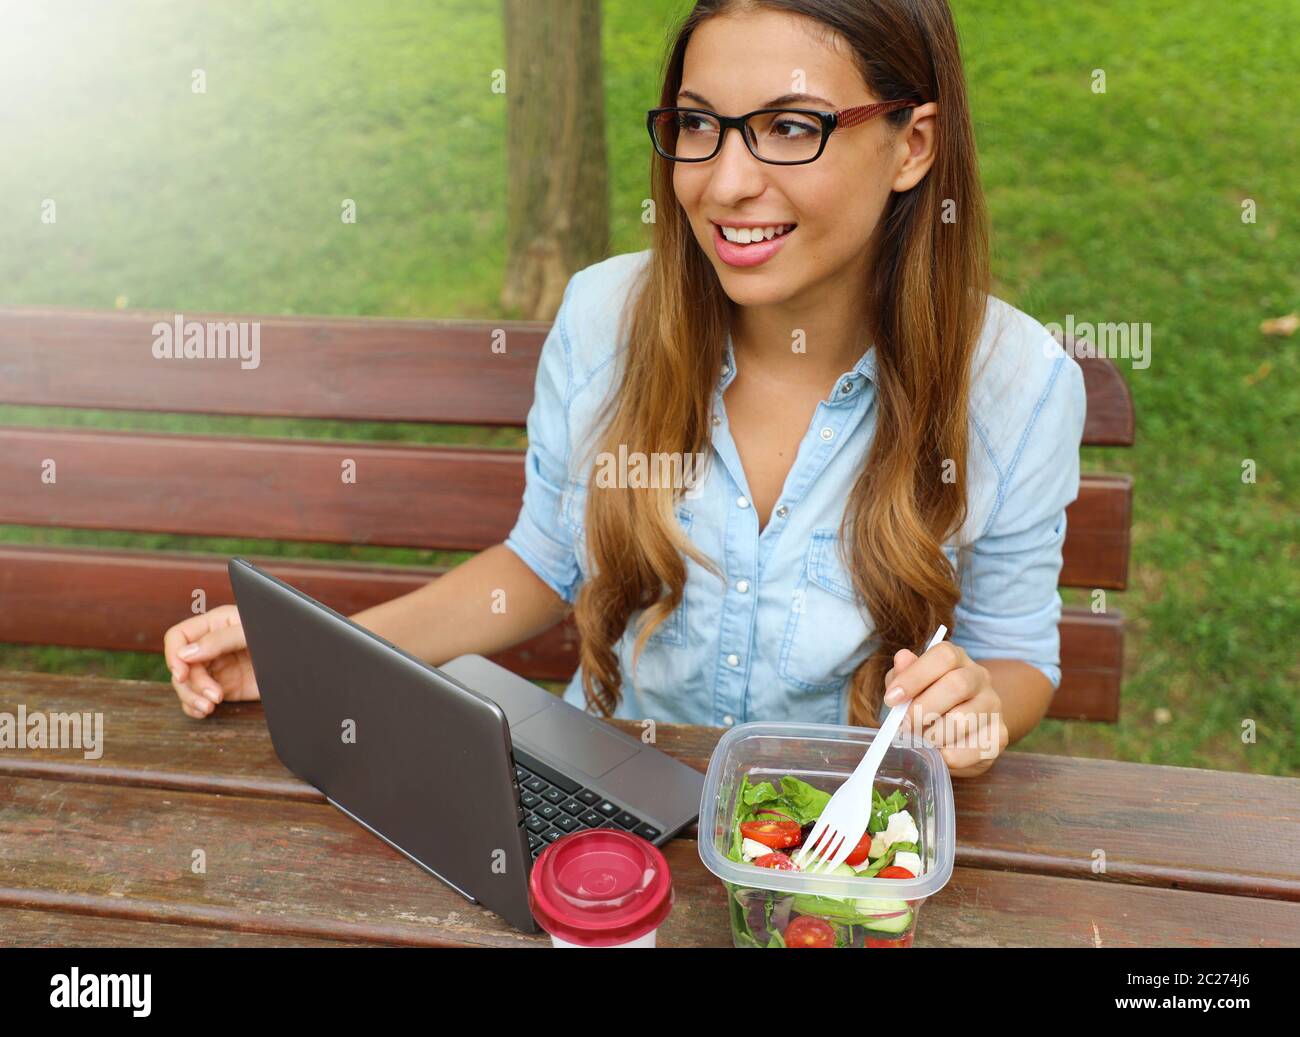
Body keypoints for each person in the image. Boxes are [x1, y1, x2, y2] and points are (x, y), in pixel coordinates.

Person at [164, 0, 1084, 778]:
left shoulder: (1017, 384)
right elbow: (542, 564)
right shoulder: (606, 317)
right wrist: (317, 660)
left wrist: (974, 709)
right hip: (609, 784)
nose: (724, 183)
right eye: (697, 124)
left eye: (790, 127)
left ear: (912, 144)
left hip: (837, 833)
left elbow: (1019, 659)